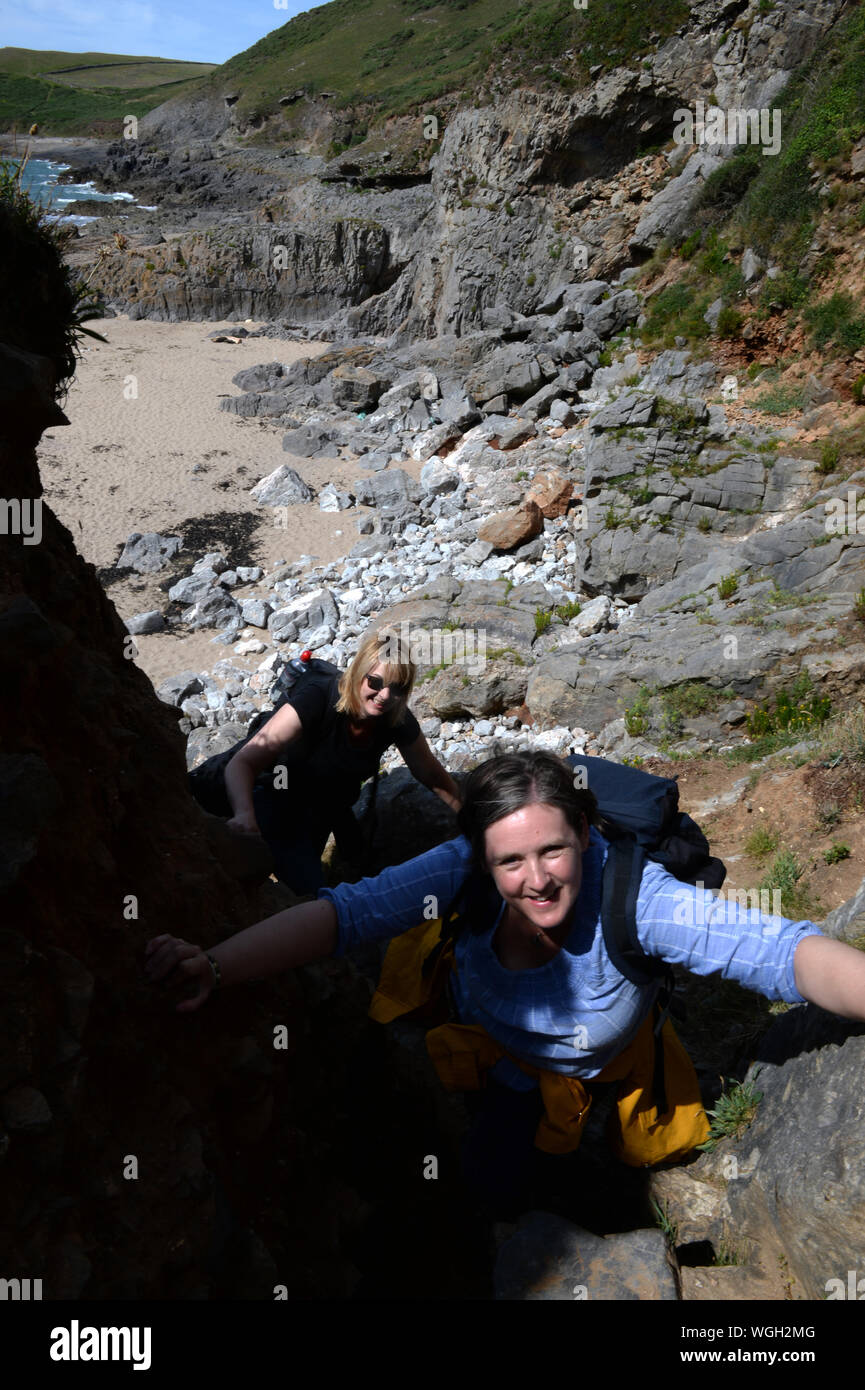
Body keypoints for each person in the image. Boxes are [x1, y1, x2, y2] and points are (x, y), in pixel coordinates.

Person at [145, 750, 865, 1214]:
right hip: (503, 1061)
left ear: (585, 834)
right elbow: (344, 917)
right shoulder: (459, 868)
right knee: (490, 1190)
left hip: (601, 1070)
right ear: (479, 858)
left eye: (554, 849)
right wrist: (214, 964)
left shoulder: (638, 900)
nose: (537, 878)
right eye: (510, 862)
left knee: (585, 1182)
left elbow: (785, 956)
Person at [211, 625, 462, 895]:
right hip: (274, 795)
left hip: (325, 808)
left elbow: (432, 775)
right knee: (311, 896)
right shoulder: (318, 698)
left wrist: (473, 819)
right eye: (375, 682)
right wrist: (245, 815)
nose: (385, 696)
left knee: (325, 875)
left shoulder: (395, 718)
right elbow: (243, 762)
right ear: (357, 674)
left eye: (398, 688)